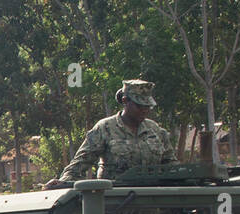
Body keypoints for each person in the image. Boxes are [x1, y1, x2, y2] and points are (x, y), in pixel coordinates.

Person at [47, 79, 177, 187]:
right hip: (115, 205)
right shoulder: (105, 128)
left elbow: (171, 165)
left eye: (147, 106)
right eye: (139, 106)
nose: (144, 110)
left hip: (152, 205)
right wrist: (63, 182)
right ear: (125, 101)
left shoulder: (155, 130)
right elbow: (81, 162)